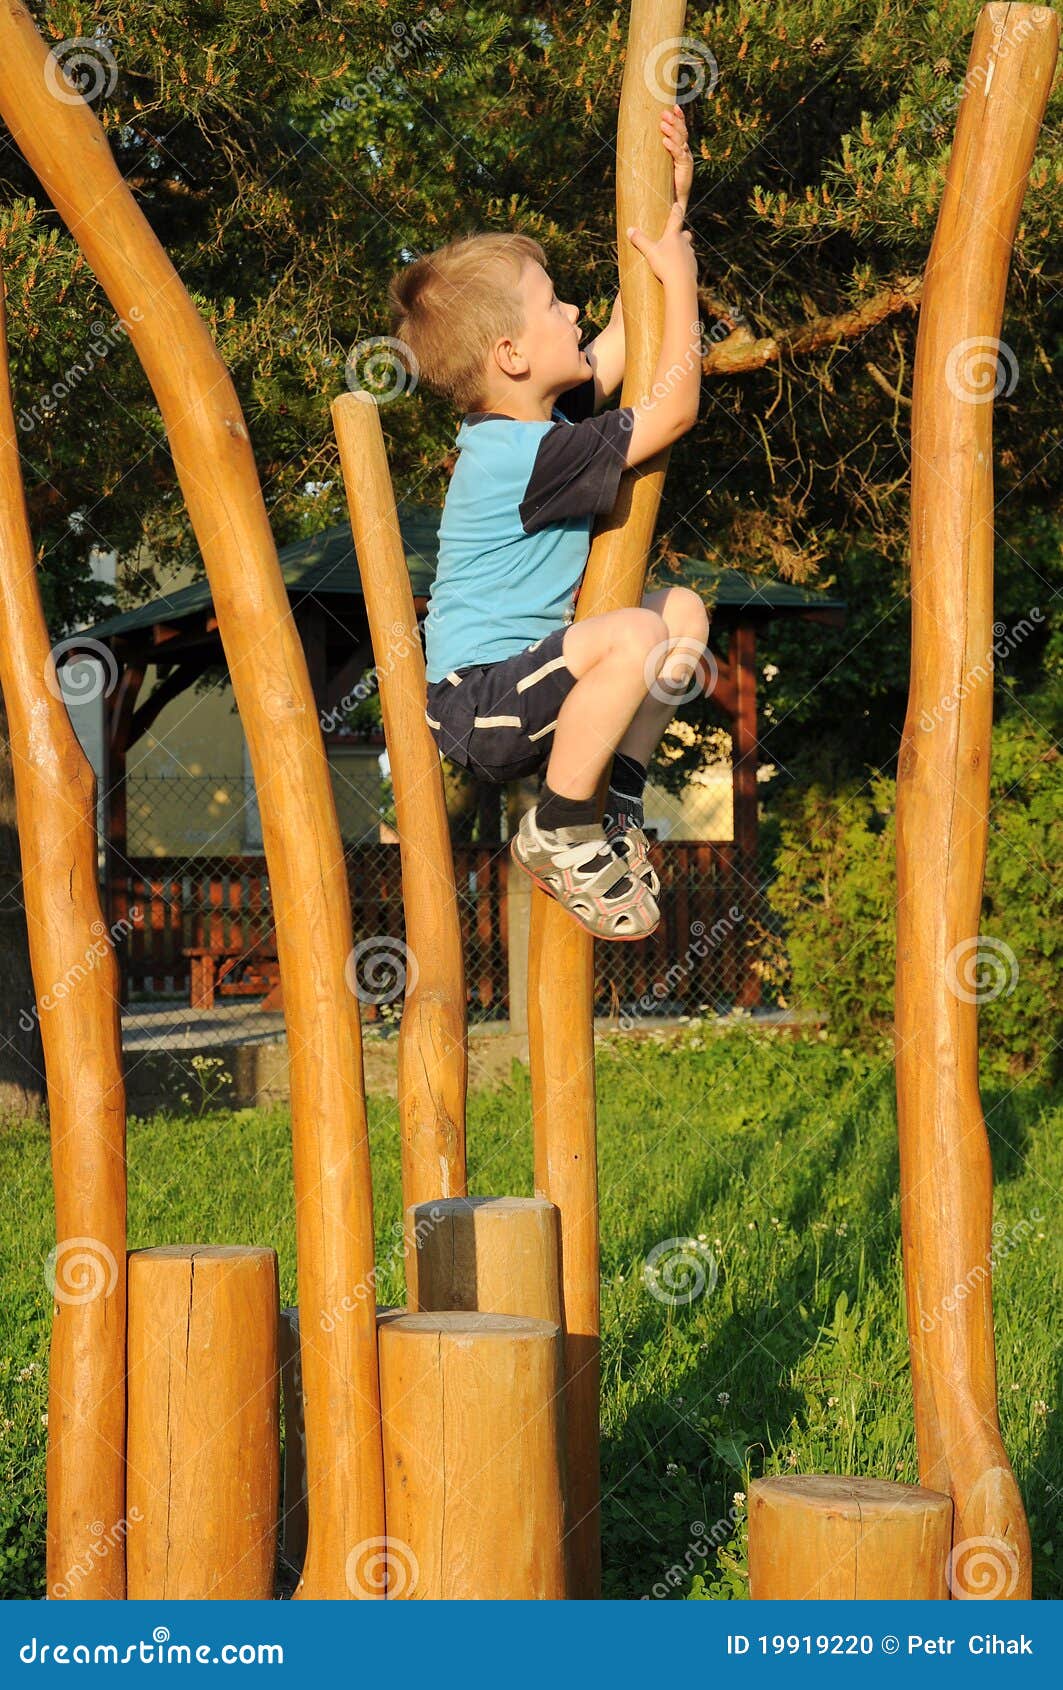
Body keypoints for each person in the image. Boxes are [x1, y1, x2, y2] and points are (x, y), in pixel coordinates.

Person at [388, 104, 708, 941]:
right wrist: (682, 282)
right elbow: (670, 408)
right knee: (637, 632)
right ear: (511, 358)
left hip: (537, 686)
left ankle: (618, 802)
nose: (574, 315)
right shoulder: (520, 457)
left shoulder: (546, 429)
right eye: (554, 304)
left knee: (679, 615)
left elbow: (626, 329)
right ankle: (559, 826)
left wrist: (674, 206)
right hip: (478, 703)